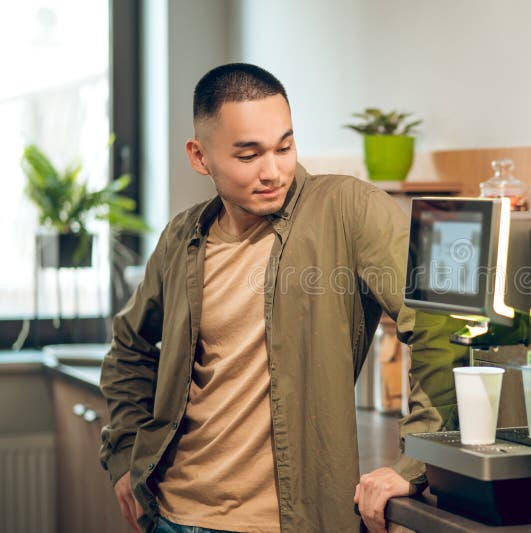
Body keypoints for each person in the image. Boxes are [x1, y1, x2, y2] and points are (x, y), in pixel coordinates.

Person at [99, 62, 466, 533]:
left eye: (284, 146)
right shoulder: (182, 236)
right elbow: (128, 347)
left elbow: (441, 322)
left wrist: (415, 462)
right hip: (171, 515)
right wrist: (126, 454)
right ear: (199, 156)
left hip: (288, 523)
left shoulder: (347, 209)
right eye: (248, 156)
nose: (273, 171)